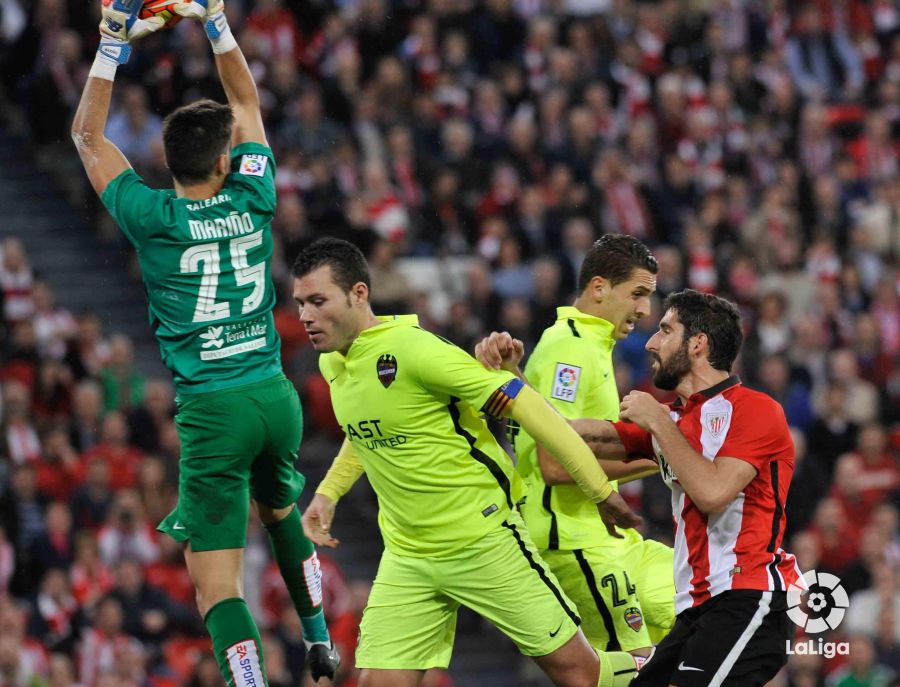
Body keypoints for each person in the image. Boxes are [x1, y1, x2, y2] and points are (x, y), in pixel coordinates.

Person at [70, 0, 339, 683]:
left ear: (169, 163)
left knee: (217, 587)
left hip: (214, 411)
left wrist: (111, 44)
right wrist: (215, 21)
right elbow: (245, 104)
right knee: (280, 510)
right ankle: (319, 636)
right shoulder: (253, 196)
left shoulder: (152, 214)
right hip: (274, 396)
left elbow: (86, 137)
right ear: (225, 160)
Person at [295, 238, 644, 687]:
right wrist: (328, 493)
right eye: (300, 303)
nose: (305, 315)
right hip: (408, 555)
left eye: (318, 301)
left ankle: (670, 669)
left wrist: (598, 489)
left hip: (483, 539)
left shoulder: (417, 351)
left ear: (359, 294)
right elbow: (368, 427)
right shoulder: (333, 363)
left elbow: (529, 408)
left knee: (581, 675)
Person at [534, 289, 801, 686]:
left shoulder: (755, 410)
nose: (651, 343)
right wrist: (512, 386)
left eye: (665, 330)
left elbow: (712, 493)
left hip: (749, 596)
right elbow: (576, 435)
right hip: (696, 608)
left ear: (697, 343)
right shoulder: (676, 418)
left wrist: (658, 422)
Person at [476, 234, 675, 659]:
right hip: (572, 540)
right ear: (599, 287)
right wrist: (665, 456)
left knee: (710, 608)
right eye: (637, 294)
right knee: (634, 668)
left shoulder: (592, 344)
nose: (645, 309)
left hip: (612, 538)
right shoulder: (569, 350)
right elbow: (554, 463)